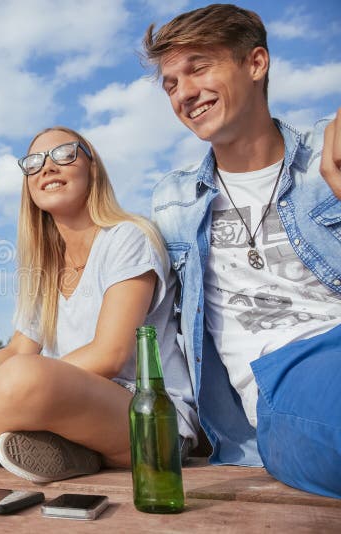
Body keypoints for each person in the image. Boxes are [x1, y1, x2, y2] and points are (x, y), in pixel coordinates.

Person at [0, 126, 198, 483]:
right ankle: (71, 452)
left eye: (65, 154)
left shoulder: (128, 237)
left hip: (146, 421)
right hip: (71, 410)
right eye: (35, 162)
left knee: (23, 377)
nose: (48, 167)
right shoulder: (43, 267)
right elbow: (17, 350)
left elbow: (110, 354)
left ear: (93, 169)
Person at [143, 4, 341, 498]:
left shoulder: (326, 153)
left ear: (256, 64)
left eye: (199, 67)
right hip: (287, 374)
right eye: (170, 83)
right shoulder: (173, 200)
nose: (184, 93)